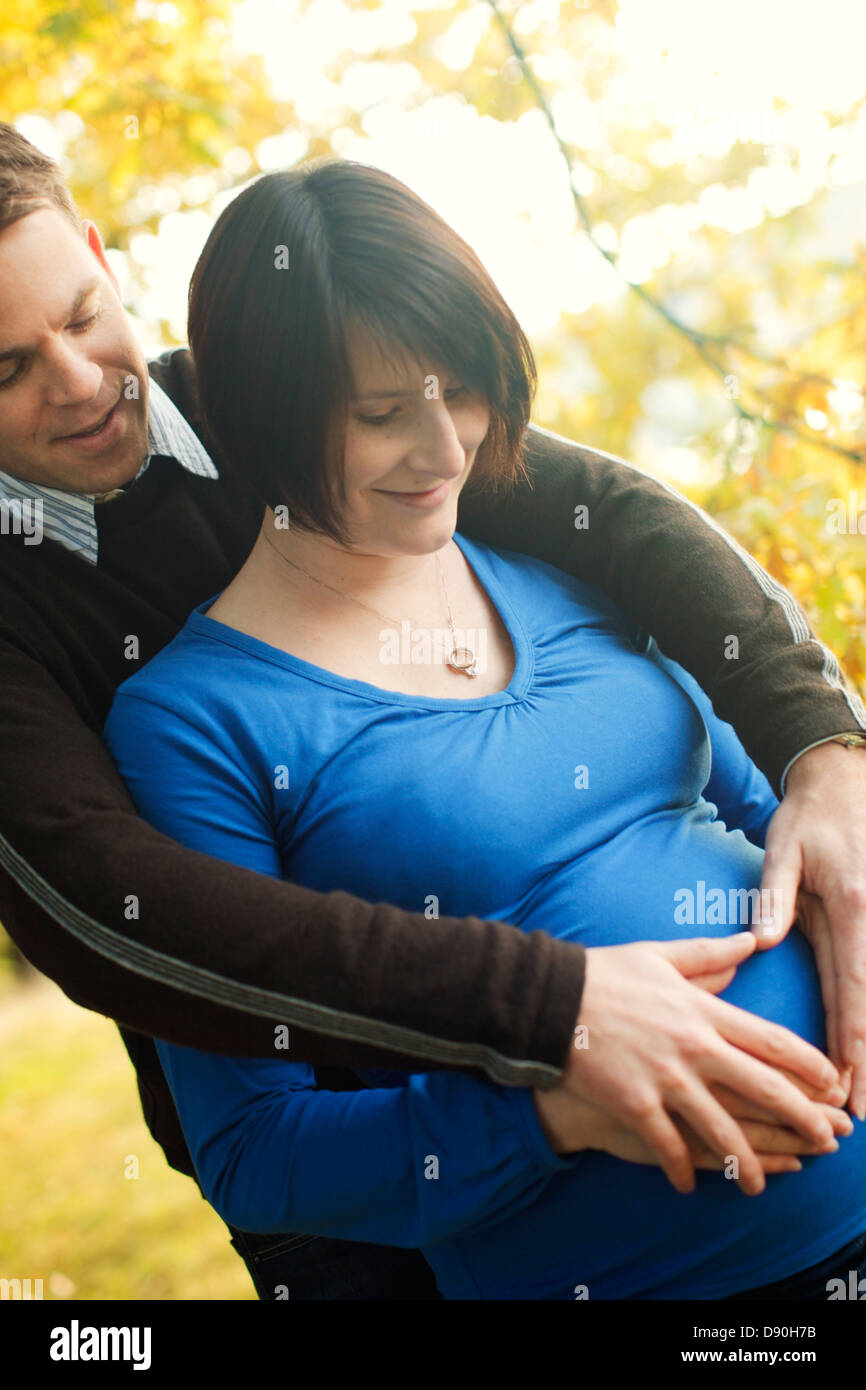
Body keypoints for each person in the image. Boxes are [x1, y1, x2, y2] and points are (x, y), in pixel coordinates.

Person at [0, 125, 864, 1299]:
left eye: (86, 312)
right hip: (375, 1151)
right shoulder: (179, 701)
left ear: (100, 259)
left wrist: (822, 741)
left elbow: (610, 511)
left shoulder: (307, 398)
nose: (84, 379)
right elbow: (120, 904)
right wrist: (550, 1035)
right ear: (290, 424)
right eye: (5, 367)